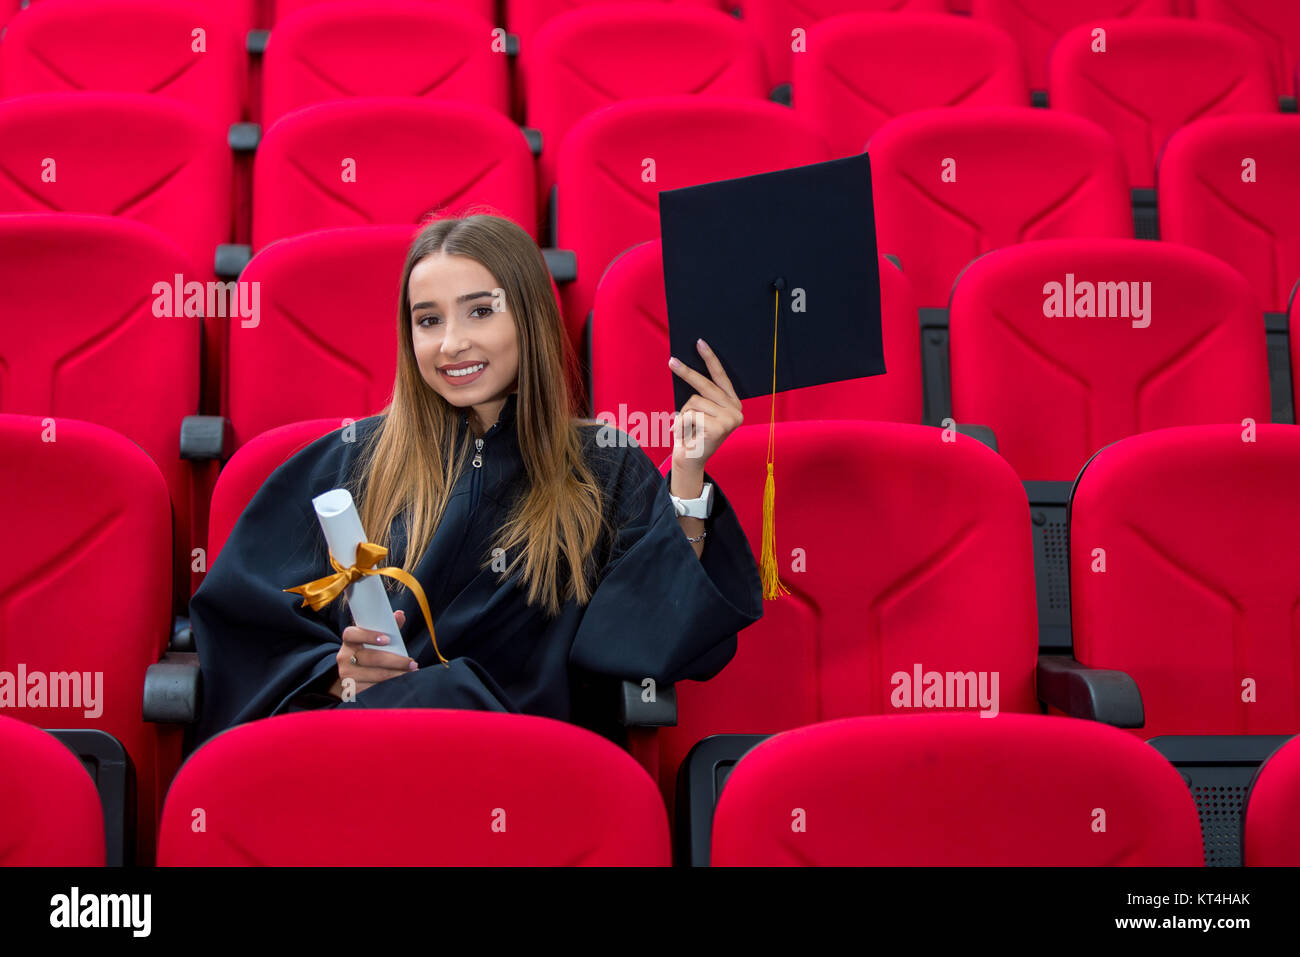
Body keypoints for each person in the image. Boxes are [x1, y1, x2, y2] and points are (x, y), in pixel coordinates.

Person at [189, 214, 764, 747]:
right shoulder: (345, 463)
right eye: (428, 320)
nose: (450, 343)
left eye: (480, 311)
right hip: (365, 755)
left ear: (531, 318)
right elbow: (246, 632)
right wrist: (333, 671)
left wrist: (686, 475)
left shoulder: (604, 468)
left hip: (527, 767)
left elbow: (650, 642)